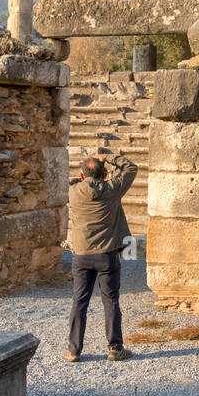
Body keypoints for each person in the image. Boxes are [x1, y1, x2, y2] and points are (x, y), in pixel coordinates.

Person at [64, 153, 138, 362]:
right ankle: (115, 348)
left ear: (82, 175)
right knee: (111, 300)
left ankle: (73, 350)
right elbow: (131, 168)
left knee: (79, 301)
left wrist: (91, 173)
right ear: (104, 174)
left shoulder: (73, 191)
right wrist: (108, 157)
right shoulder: (112, 190)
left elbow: (75, 180)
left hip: (81, 254)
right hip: (106, 254)